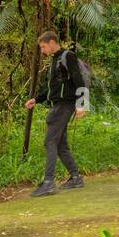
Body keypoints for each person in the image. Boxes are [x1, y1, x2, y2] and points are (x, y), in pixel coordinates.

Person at [24, 30, 85, 197]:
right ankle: (75, 177)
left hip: (64, 106)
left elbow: (79, 80)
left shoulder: (67, 56)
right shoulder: (55, 60)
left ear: (52, 42)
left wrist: (81, 105)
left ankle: (48, 183)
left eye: (43, 47)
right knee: (59, 145)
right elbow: (53, 88)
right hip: (59, 104)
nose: (42, 51)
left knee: (50, 141)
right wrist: (36, 99)